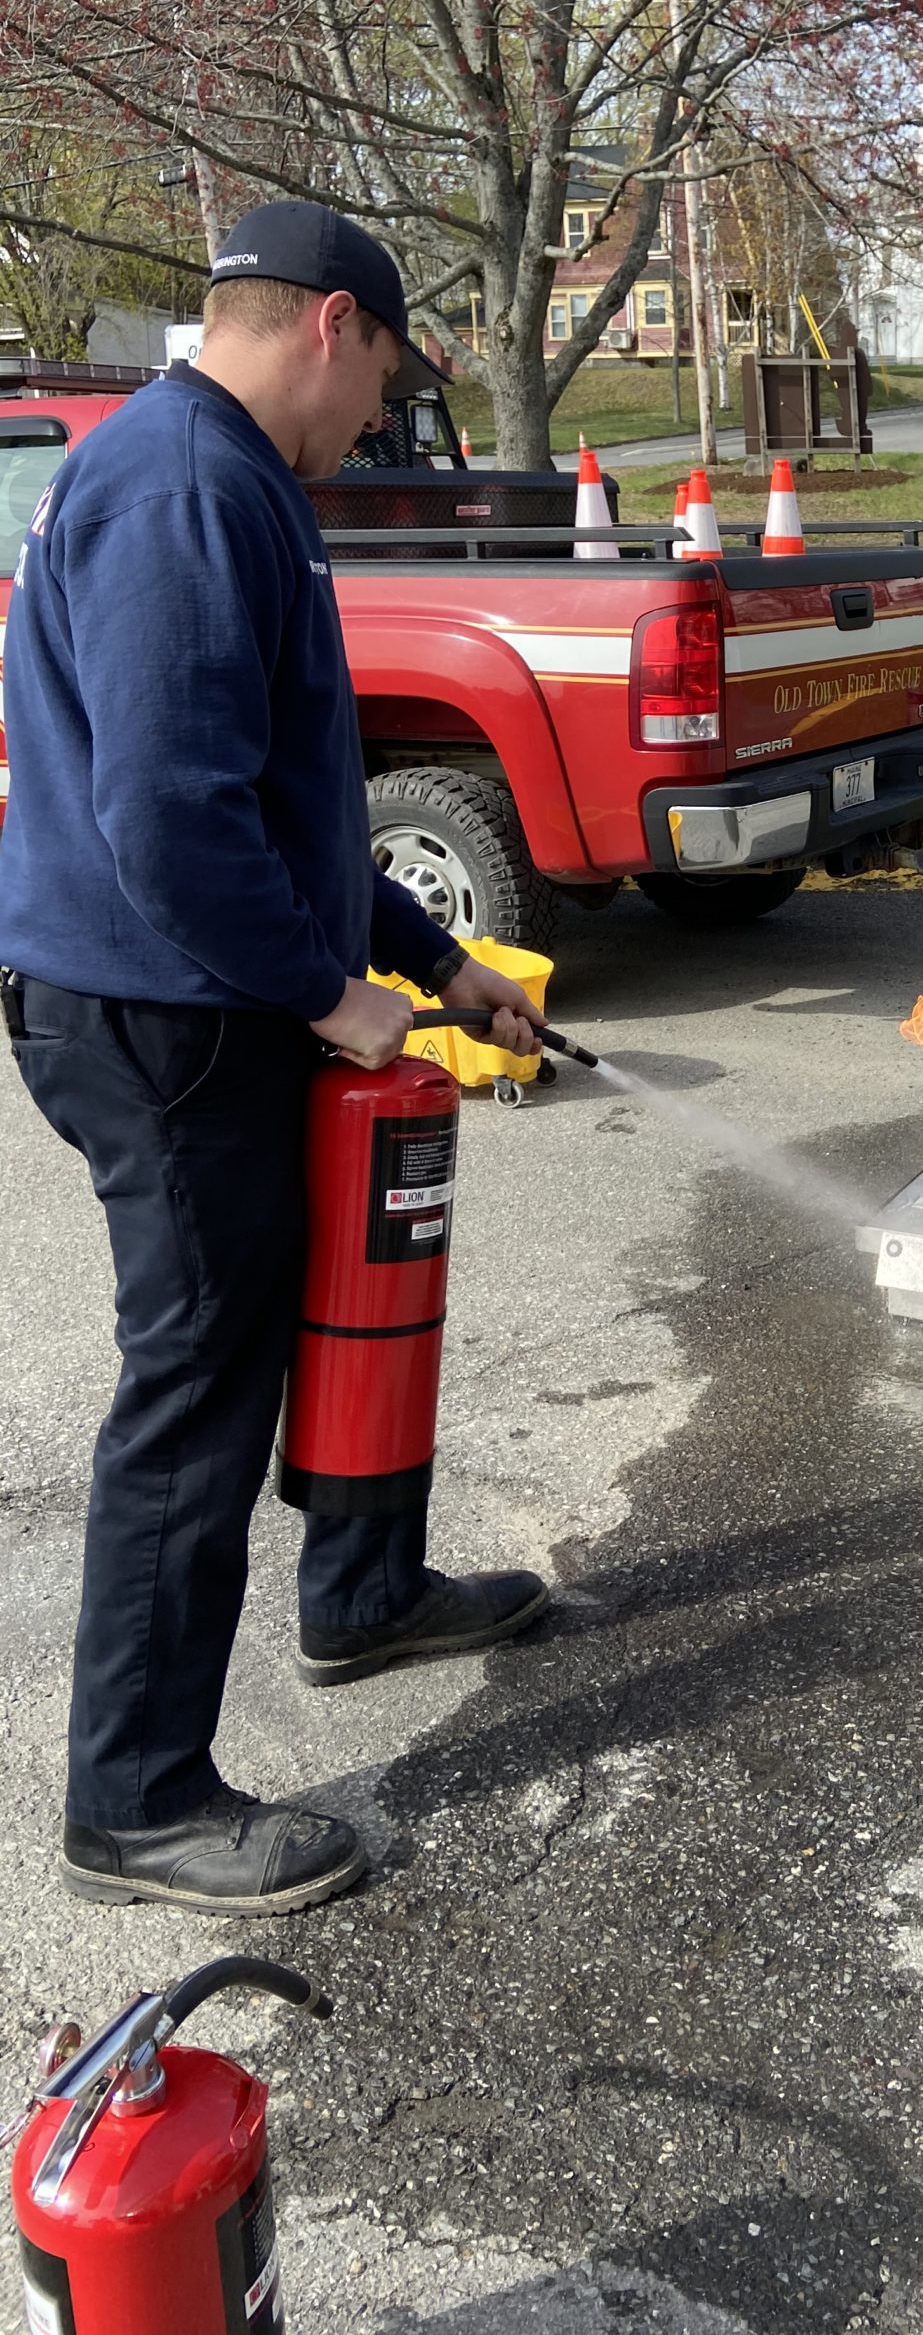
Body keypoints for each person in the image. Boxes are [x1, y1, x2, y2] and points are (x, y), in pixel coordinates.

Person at [0, 201, 553, 1916]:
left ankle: (361, 1591)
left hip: (217, 997)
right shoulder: (183, 486)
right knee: (202, 1383)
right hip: (164, 1025)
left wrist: (439, 962)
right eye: (386, 379)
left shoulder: (234, 480)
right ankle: (137, 1799)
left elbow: (282, 807)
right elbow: (170, 819)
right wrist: (329, 993)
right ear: (333, 323)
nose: (381, 418)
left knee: (343, 1286)